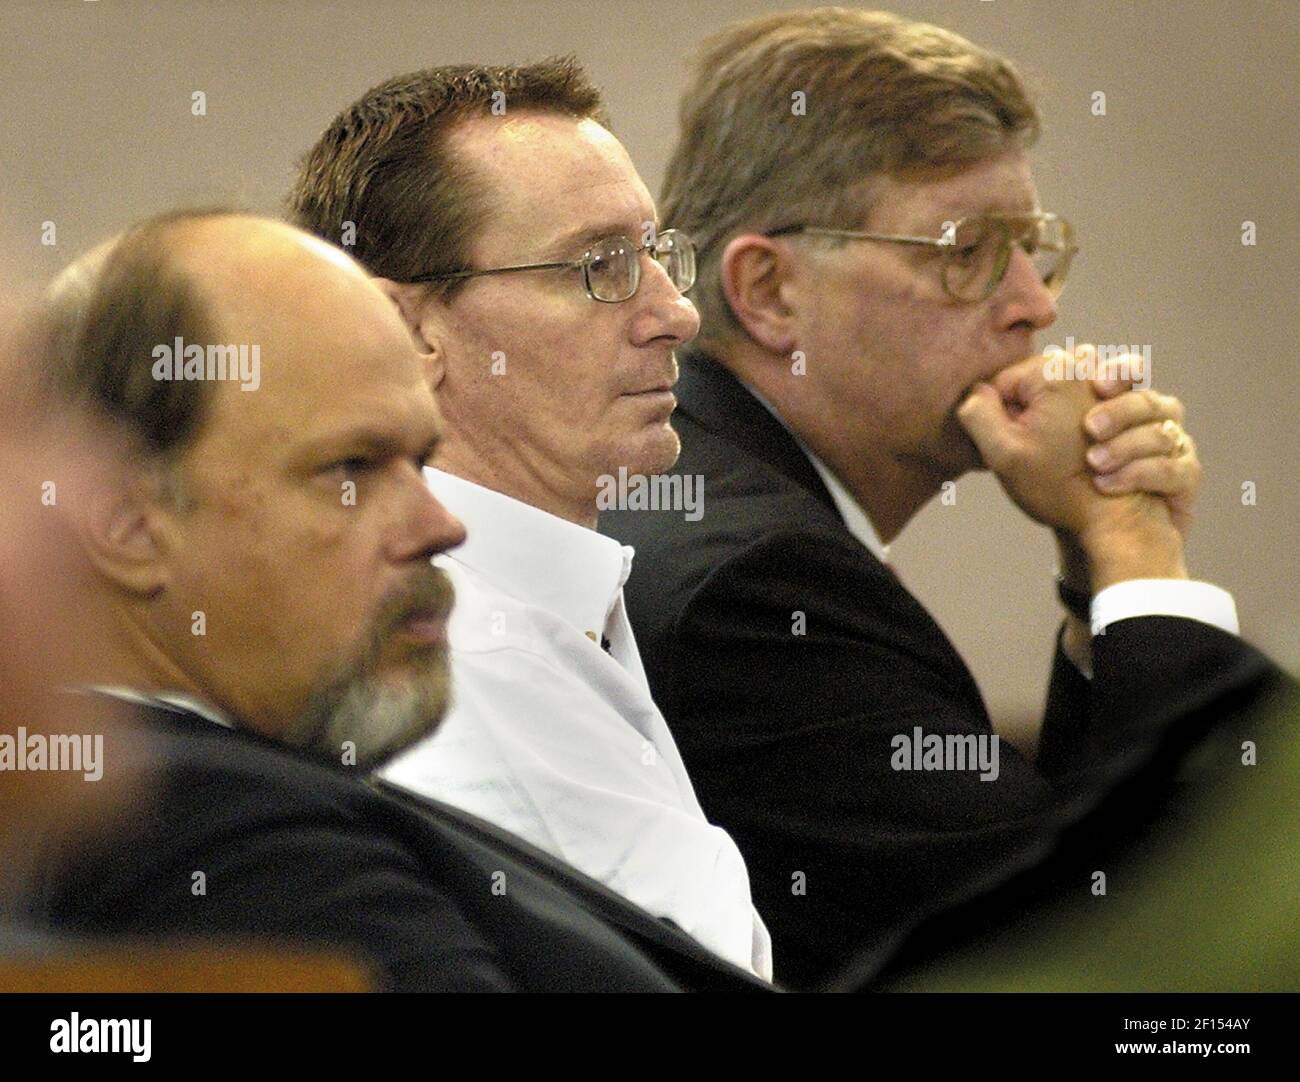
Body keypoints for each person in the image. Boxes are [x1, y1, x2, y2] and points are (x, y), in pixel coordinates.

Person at [600, 8, 1279, 987]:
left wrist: (1098, 587)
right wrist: (1135, 544)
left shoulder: (702, 492)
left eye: (1031, 245)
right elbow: (1135, 963)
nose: (1035, 304)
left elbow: (1057, 861)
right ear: (769, 290)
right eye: (967, 249)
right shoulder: (755, 591)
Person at [20, 209, 770, 993]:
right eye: (352, 470)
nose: (440, 524)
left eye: (418, 460)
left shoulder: (235, 795)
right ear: (127, 522)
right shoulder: (210, 834)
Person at [289, 59, 771, 978]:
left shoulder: (526, 597)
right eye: (601, 267)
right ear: (408, 331)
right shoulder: (454, 652)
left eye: (658, 256)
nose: (677, 314)